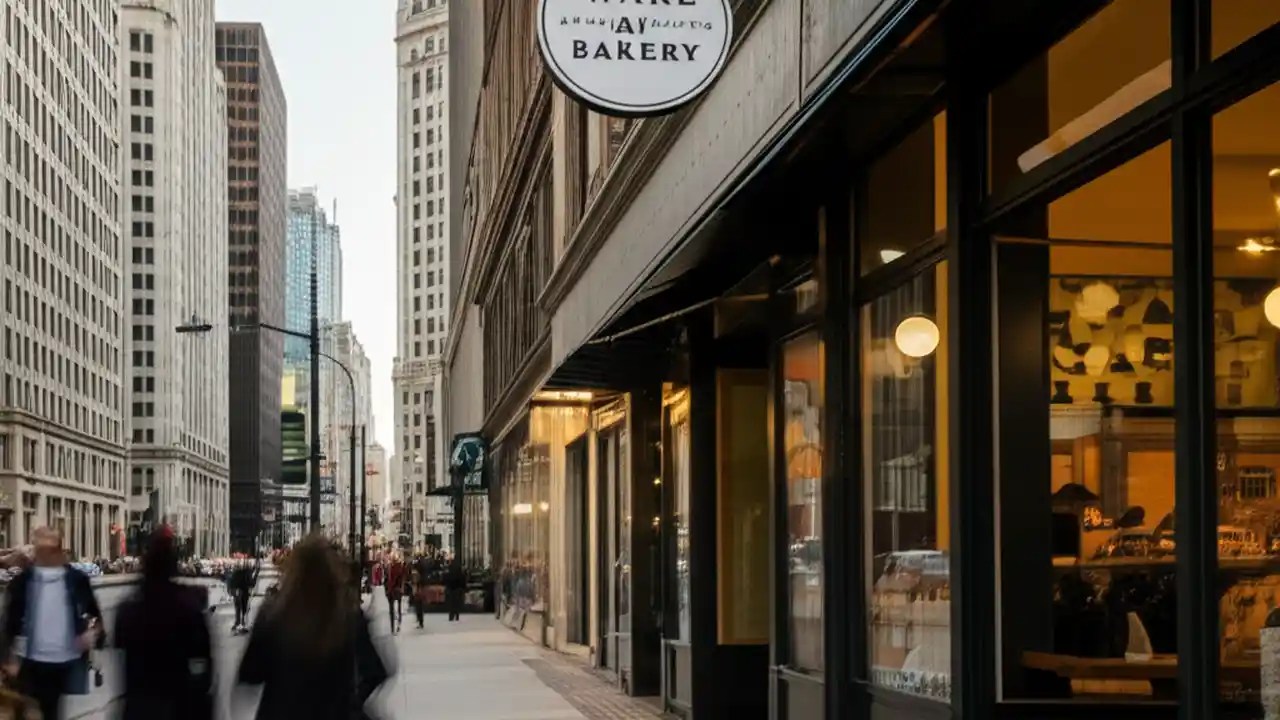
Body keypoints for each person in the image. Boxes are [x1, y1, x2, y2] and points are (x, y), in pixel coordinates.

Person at [237, 534, 389, 720]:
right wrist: (352, 701)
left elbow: (251, 673)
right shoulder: (347, 616)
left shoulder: (274, 614)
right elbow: (375, 672)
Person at [0, 527, 104, 720]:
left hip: (63, 661)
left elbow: (95, 614)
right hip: (30, 661)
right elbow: (9, 622)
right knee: (28, 709)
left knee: (50, 711)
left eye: (51, 549)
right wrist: (7, 658)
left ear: (59, 551)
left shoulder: (76, 580)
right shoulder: (23, 582)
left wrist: (92, 634)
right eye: (40, 549)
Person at [115, 527, 213, 720]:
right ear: (173, 565)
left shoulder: (129, 610)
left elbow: (122, 657)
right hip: (179, 706)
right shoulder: (188, 607)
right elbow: (202, 664)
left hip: (140, 708)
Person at [229, 558, 260, 634]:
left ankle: (237, 622)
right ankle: (243, 623)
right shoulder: (247, 572)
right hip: (244, 592)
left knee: (237, 607)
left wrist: (231, 591)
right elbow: (251, 583)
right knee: (244, 608)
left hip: (236, 591)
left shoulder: (235, 572)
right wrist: (256, 574)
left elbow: (230, 582)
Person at [383, 555, 405, 634]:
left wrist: (387, 589)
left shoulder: (391, 568)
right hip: (395, 590)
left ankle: (393, 627)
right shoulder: (399, 567)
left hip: (393, 590)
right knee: (397, 608)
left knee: (392, 609)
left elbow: (387, 579)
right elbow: (401, 579)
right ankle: (397, 624)